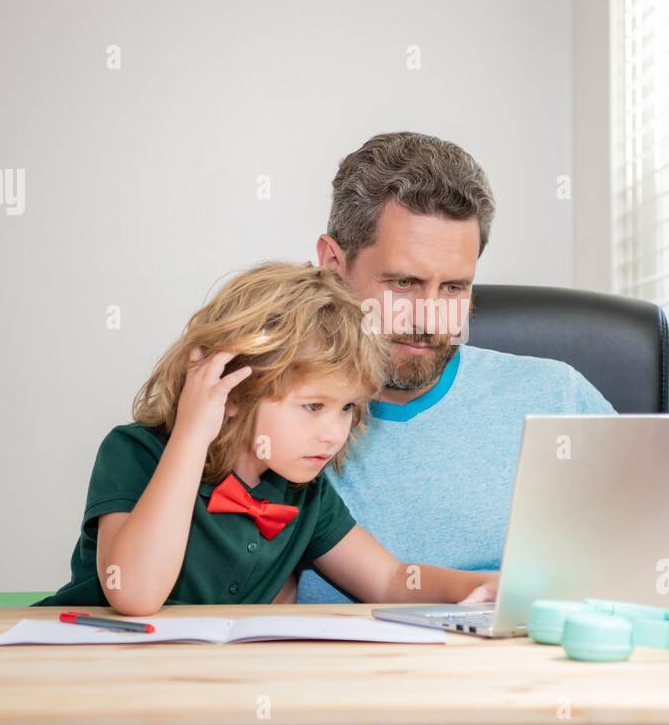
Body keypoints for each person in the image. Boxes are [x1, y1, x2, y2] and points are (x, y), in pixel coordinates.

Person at [34, 261, 498, 614]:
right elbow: (133, 593)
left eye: (347, 408)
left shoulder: (304, 493)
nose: (334, 433)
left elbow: (392, 581)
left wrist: (486, 587)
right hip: (80, 668)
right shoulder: (135, 453)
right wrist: (193, 437)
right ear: (233, 389)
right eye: (313, 407)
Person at [297, 131, 616, 604]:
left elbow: (665, 545)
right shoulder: (275, 410)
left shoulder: (557, 398)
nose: (429, 319)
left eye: (453, 288)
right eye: (404, 282)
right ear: (333, 264)